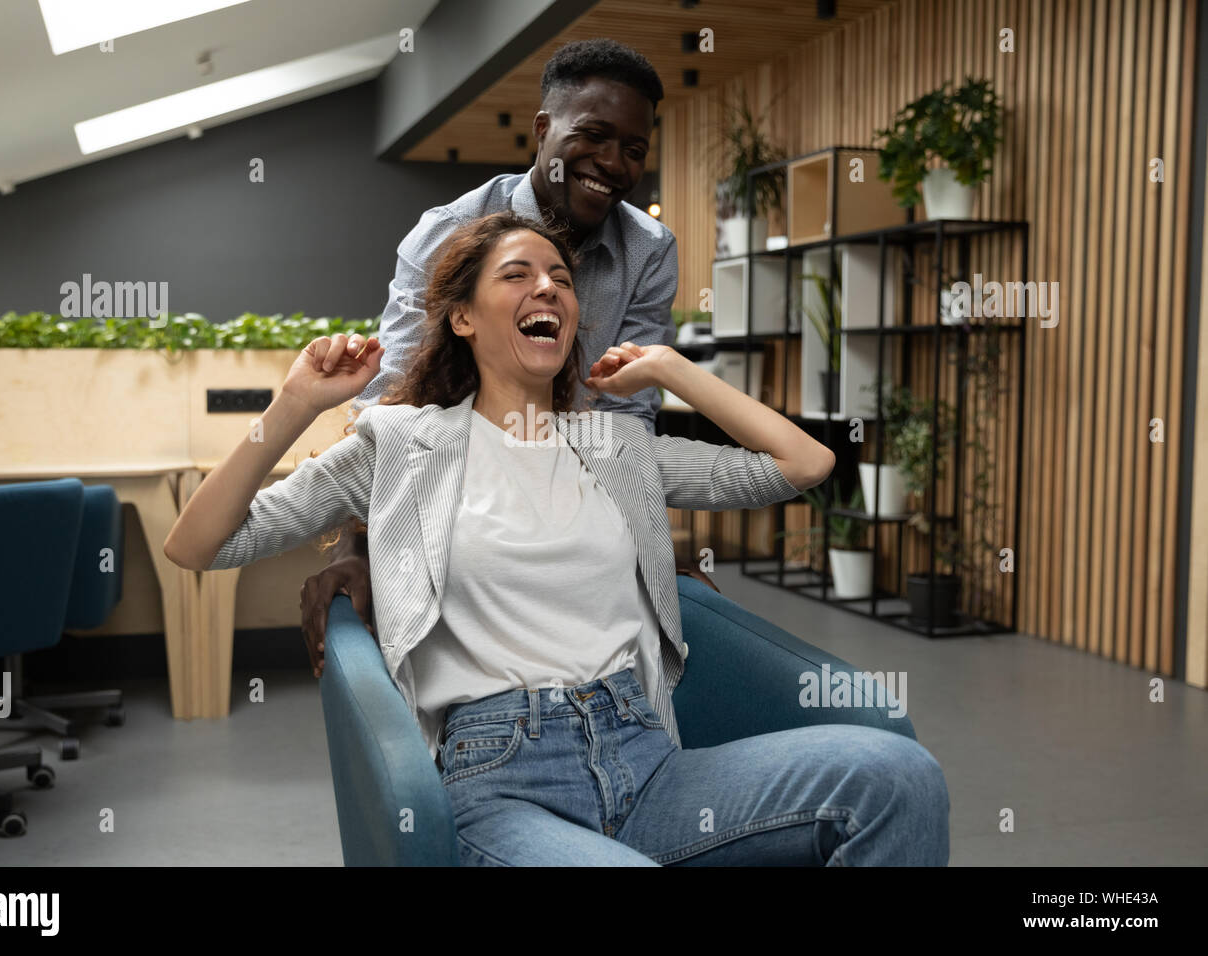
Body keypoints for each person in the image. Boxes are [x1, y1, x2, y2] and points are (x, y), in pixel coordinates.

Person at [163, 212, 951, 866]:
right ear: (463, 318)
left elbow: (803, 464)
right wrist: (295, 403)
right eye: (517, 275)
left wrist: (671, 370)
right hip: (501, 783)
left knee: (898, 776)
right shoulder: (400, 443)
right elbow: (199, 546)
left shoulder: (616, 446)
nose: (547, 287)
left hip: (647, 760)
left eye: (561, 279)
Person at [300, 37, 683, 651]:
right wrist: (354, 548)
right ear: (543, 129)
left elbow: (627, 418)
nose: (613, 163)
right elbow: (390, 405)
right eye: (593, 135)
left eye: (634, 150)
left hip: (572, 506)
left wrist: (650, 561)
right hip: (451, 509)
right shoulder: (447, 233)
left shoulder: (649, 251)